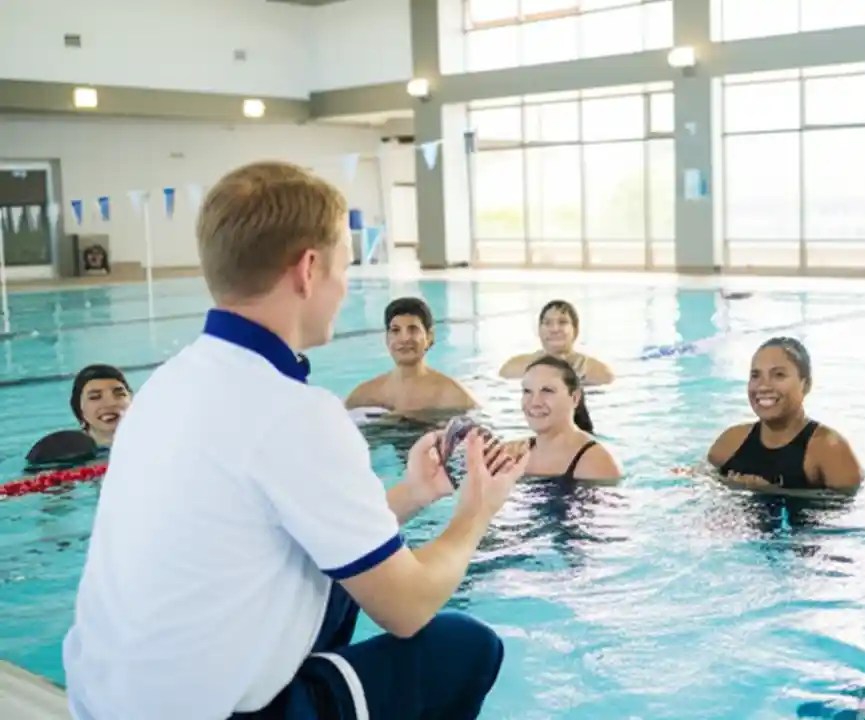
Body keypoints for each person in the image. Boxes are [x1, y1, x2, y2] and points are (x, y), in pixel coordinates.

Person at [62, 161, 530, 720]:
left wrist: (412, 493)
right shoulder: (295, 414)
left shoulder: (169, 382)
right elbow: (407, 608)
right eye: (345, 268)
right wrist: (475, 511)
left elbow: (294, 529)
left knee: (338, 583)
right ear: (309, 269)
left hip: (104, 703)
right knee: (464, 646)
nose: (345, 288)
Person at [707, 337, 863, 492]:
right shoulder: (730, 441)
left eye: (778, 375)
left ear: (806, 385)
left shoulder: (828, 449)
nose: (763, 386)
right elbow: (700, 480)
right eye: (755, 375)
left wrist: (773, 492)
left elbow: (847, 507)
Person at [345, 296, 478, 416]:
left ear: (429, 337)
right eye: (395, 330)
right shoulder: (364, 396)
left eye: (413, 329)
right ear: (387, 338)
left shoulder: (453, 396)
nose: (404, 338)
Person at [503, 356, 622, 483]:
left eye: (547, 391)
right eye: (527, 391)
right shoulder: (512, 454)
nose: (535, 402)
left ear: (575, 398)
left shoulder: (595, 463)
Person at [498, 299, 614, 386]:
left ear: (576, 330)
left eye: (562, 322)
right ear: (539, 330)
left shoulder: (599, 372)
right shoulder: (514, 367)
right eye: (547, 323)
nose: (554, 329)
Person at [70, 364, 132, 448]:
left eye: (119, 394)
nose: (110, 403)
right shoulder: (68, 451)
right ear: (79, 409)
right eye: (95, 397)